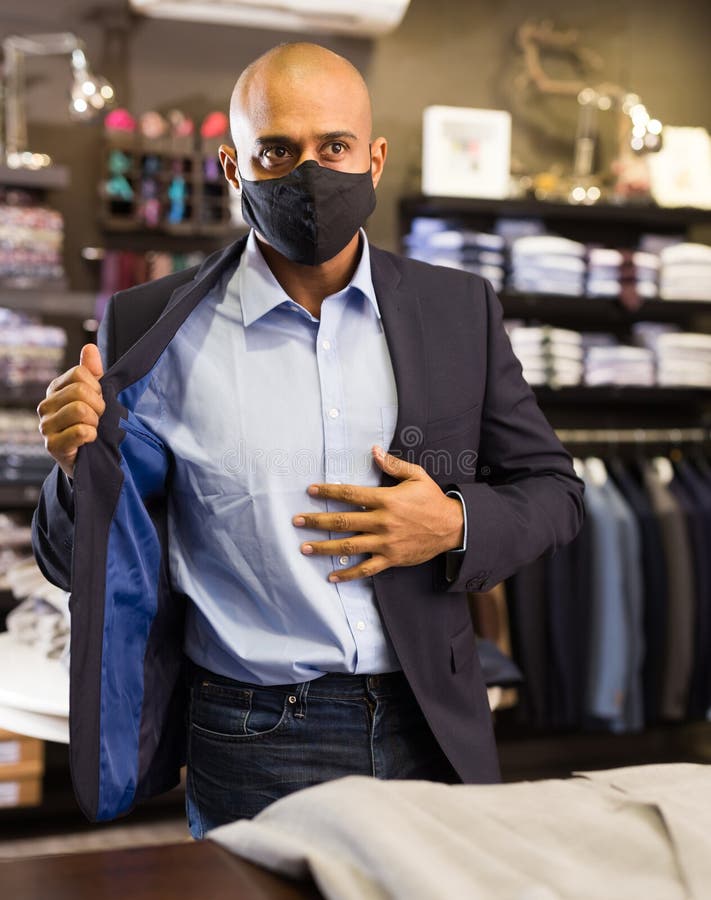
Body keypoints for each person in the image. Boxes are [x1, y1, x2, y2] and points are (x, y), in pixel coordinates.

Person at [32, 42, 584, 837]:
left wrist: (455, 524)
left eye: (333, 147)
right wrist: (69, 467)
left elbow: (554, 493)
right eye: (276, 150)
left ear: (375, 157)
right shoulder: (149, 327)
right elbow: (76, 559)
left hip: (431, 718)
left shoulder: (457, 309)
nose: (309, 172)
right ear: (231, 166)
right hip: (251, 735)